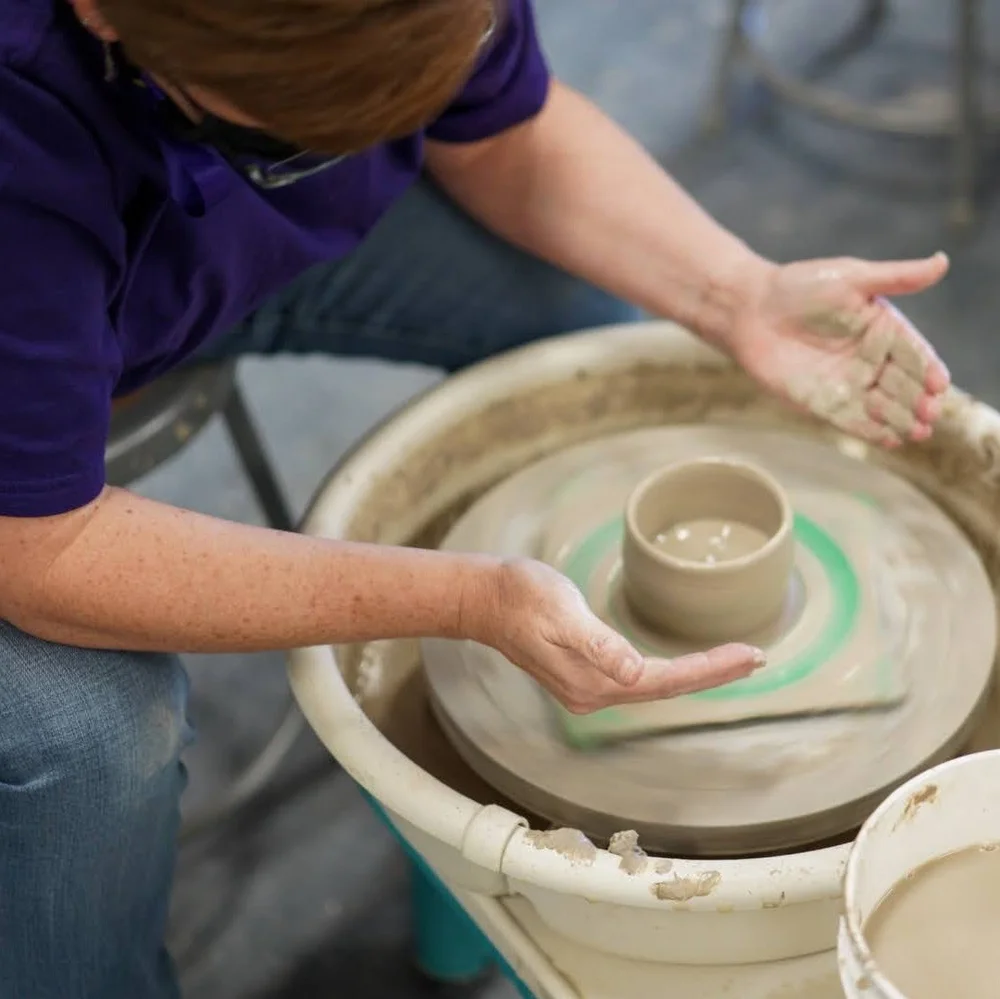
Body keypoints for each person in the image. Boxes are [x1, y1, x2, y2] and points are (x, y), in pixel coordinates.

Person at [0, 0, 950, 995]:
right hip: (51, 254)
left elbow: (505, 137)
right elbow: (42, 554)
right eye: (301, 140)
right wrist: (464, 600)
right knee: (92, 739)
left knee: (571, 329)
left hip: (169, 218)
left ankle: (463, 916)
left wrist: (734, 292)